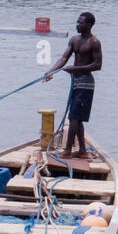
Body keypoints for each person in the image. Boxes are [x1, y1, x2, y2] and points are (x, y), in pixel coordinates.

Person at [44, 11, 102, 159]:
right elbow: (64, 57)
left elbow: (97, 65)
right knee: (77, 117)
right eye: (77, 22)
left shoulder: (94, 42)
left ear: (89, 25)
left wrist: (75, 69)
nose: (77, 25)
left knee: (74, 117)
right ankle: (82, 150)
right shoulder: (74, 40)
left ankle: (67, 151)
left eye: (80, 22)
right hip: (76, 83)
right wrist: (50, 71)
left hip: (86, 84)